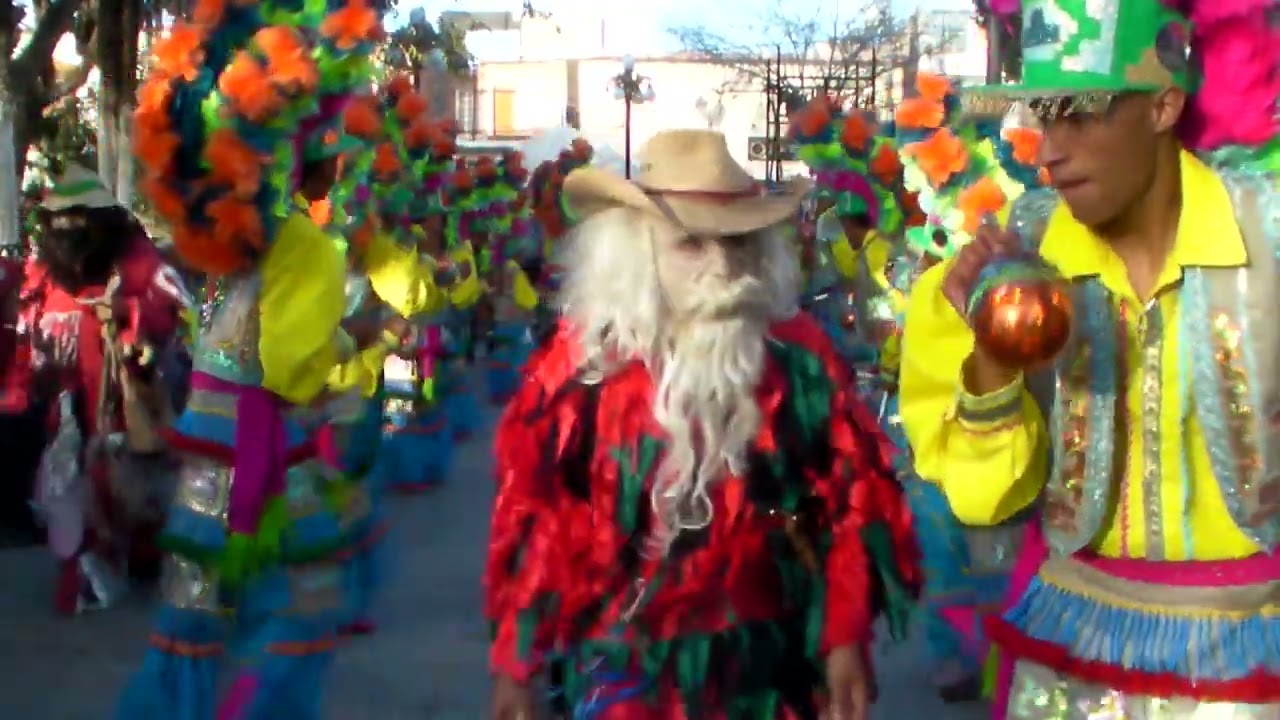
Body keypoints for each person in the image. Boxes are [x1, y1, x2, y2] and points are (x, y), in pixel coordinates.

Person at [898, 0, 1280, 717]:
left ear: (1163, 105)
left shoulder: (1269, 235)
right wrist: (993, 356)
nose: (1050, 149)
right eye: (1046, 115)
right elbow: (986, 500)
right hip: (1072, 673)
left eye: (1083, 114)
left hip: (1254, 666)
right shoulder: (1017, 257)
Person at [484, 129, 919, 720]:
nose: (721, 266)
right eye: (691, 244)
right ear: (637, 256)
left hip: (768, 664)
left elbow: (850, 501)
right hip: (624, 664)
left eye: (738, 245)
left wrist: (843, 634)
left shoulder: (801, 360)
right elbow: (537, 515)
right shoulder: (581, 370)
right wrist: (518, 662)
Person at [116, 0, 384, 717]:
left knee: (191, 625)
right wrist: (354, 336)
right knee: (302, 615)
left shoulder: (222, 248)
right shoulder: (300, 248)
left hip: (206, 469)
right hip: (269, 466)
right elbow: (287, 366)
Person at [11, 165, 189, 615]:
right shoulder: (44, 275)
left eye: (80, 219)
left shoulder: (140, 264)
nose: (71, 231)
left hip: (127, 391)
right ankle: (85, 565)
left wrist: (134, 326)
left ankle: (144, 551)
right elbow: (29, 333)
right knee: (72, 481)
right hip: (69, 402)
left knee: (137, 473)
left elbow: (171, 311)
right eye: (63, 221)